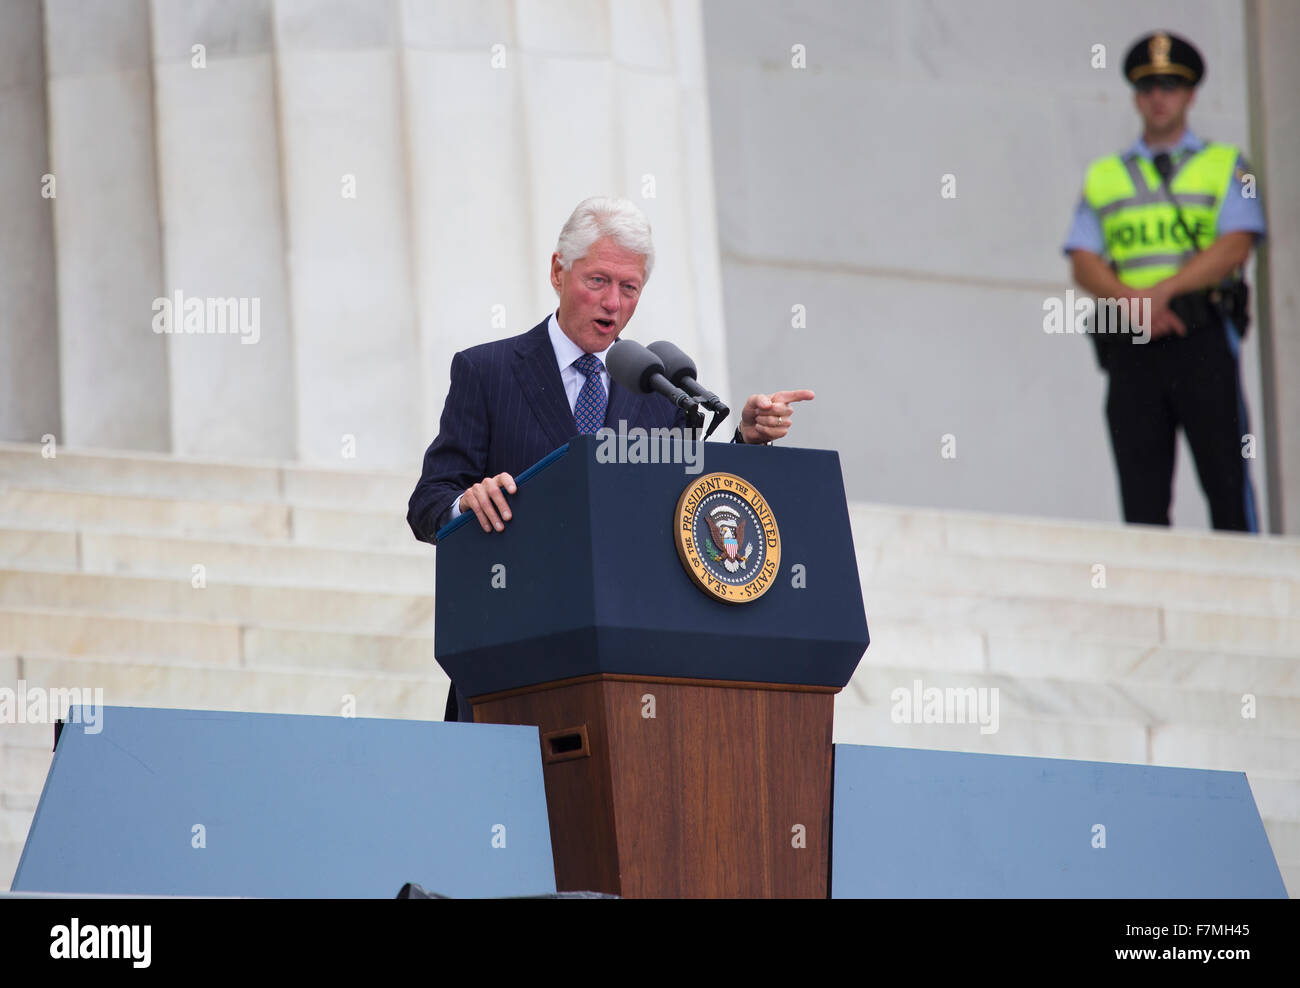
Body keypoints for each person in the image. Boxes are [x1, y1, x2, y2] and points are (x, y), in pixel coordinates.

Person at [407, 196, 814, 720]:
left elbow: (690, 510)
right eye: (598, 281)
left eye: (629, 288)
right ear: (558, 271)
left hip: (626, 676)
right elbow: (427, 504)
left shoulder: (660, 393)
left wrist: (746, 441)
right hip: (510, 661)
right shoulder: (487, 372)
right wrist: (466, 502)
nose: (613, 304)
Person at [1063, 31, 1265, 532]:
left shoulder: (1230, 166)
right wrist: (1134, 303)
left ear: (1191, 94)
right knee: (1141, 491)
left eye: (1171, 86)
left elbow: (1238, 241)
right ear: (1135, 95)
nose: (1159, 97)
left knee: (1226, 481)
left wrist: (1162, 294)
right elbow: (1083, 258)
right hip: (1133, 340)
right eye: (1149, 86)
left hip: (1202, 335)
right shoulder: (1104, 174)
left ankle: (1240, 594)